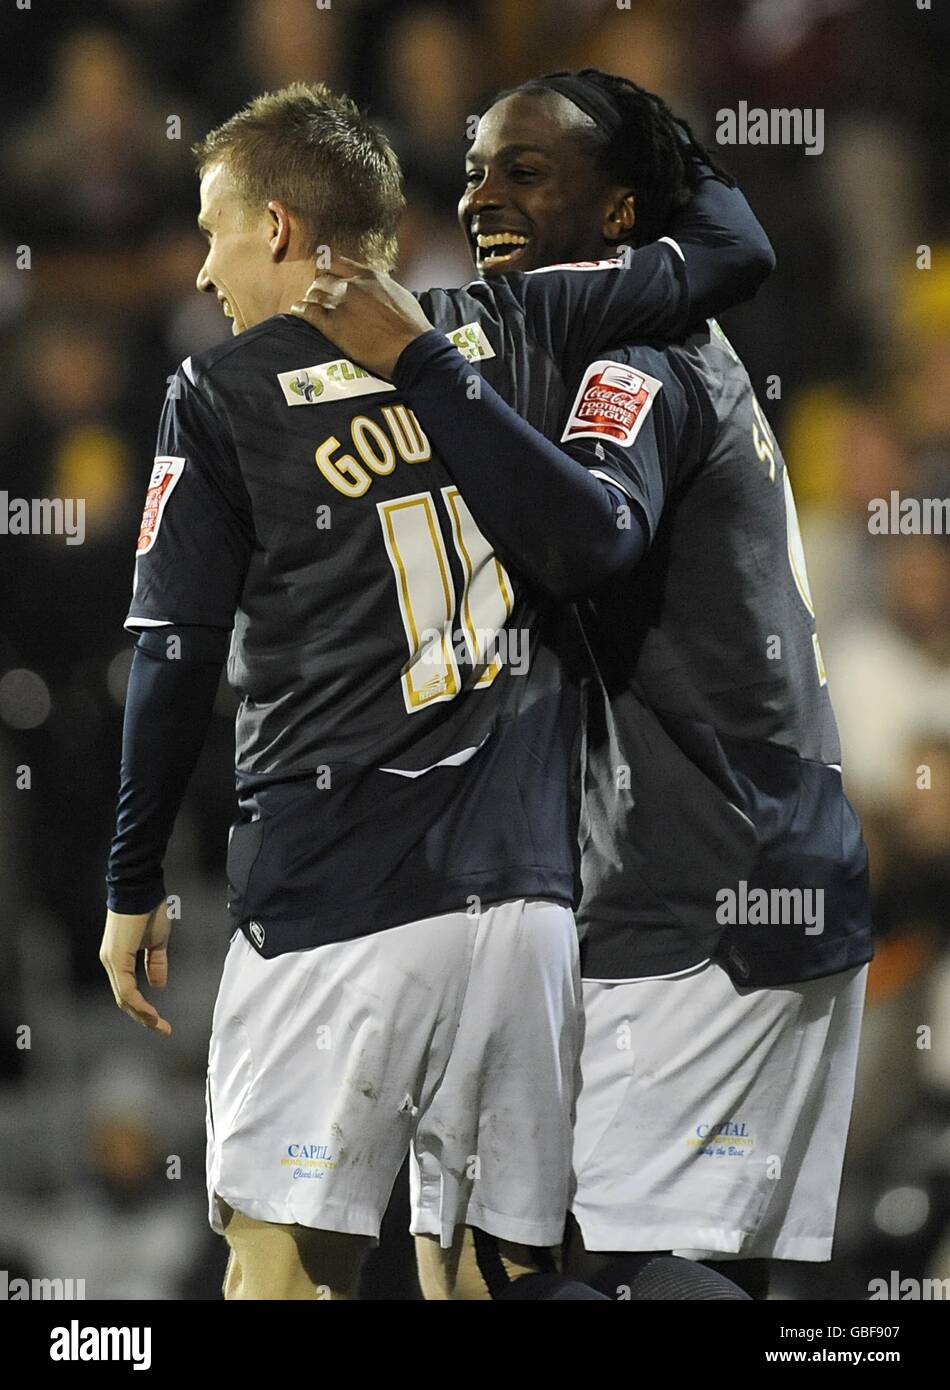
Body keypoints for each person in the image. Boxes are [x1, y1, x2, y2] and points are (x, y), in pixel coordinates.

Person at [99, 81, 774, 1300]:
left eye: (212, 230)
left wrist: (130, 881)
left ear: (281, 231)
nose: (201, 270)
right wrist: (656, 136)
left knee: (281, 1267)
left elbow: (173, 654)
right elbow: (730, 251)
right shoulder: (514, 322)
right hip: (521, 907)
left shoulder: (219, 394)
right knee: (488, 1277)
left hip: (336, 892)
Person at [297, 69, 873, 1301]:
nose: (483, 194)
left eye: (525, 171)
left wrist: (418, 369)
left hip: (703, 881)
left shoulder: (636, 358)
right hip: (762, 858)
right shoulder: (600, 330)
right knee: (676, 1260)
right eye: (476, 167)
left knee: (594, 1263)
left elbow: (589, 536)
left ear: (617, 214)